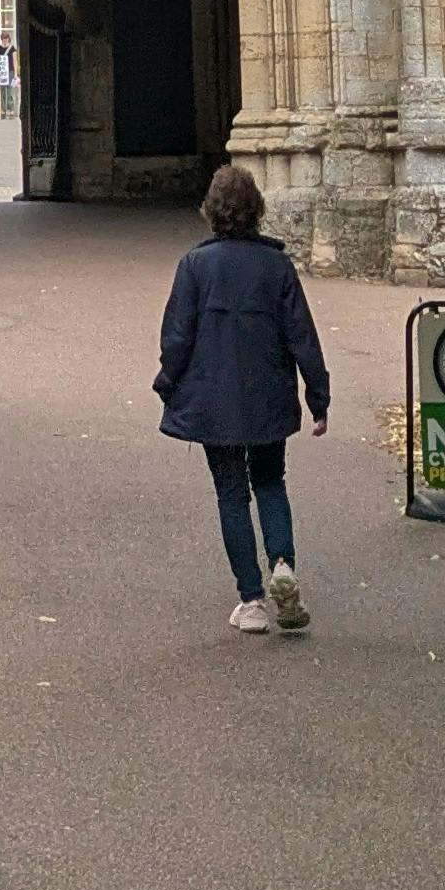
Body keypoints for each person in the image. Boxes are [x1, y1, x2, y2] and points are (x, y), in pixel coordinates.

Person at [154, 160, 330, 635]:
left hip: (214, 398)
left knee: (231, 494)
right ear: (256, 211)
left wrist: (167, 382)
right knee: (270, 481)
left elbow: (177, 336)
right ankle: (283, 565)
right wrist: (319, 396)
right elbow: (302, 336)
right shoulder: (277, 265)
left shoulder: (195, 265)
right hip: (268, 393)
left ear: (211, 212)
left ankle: (251, 600)